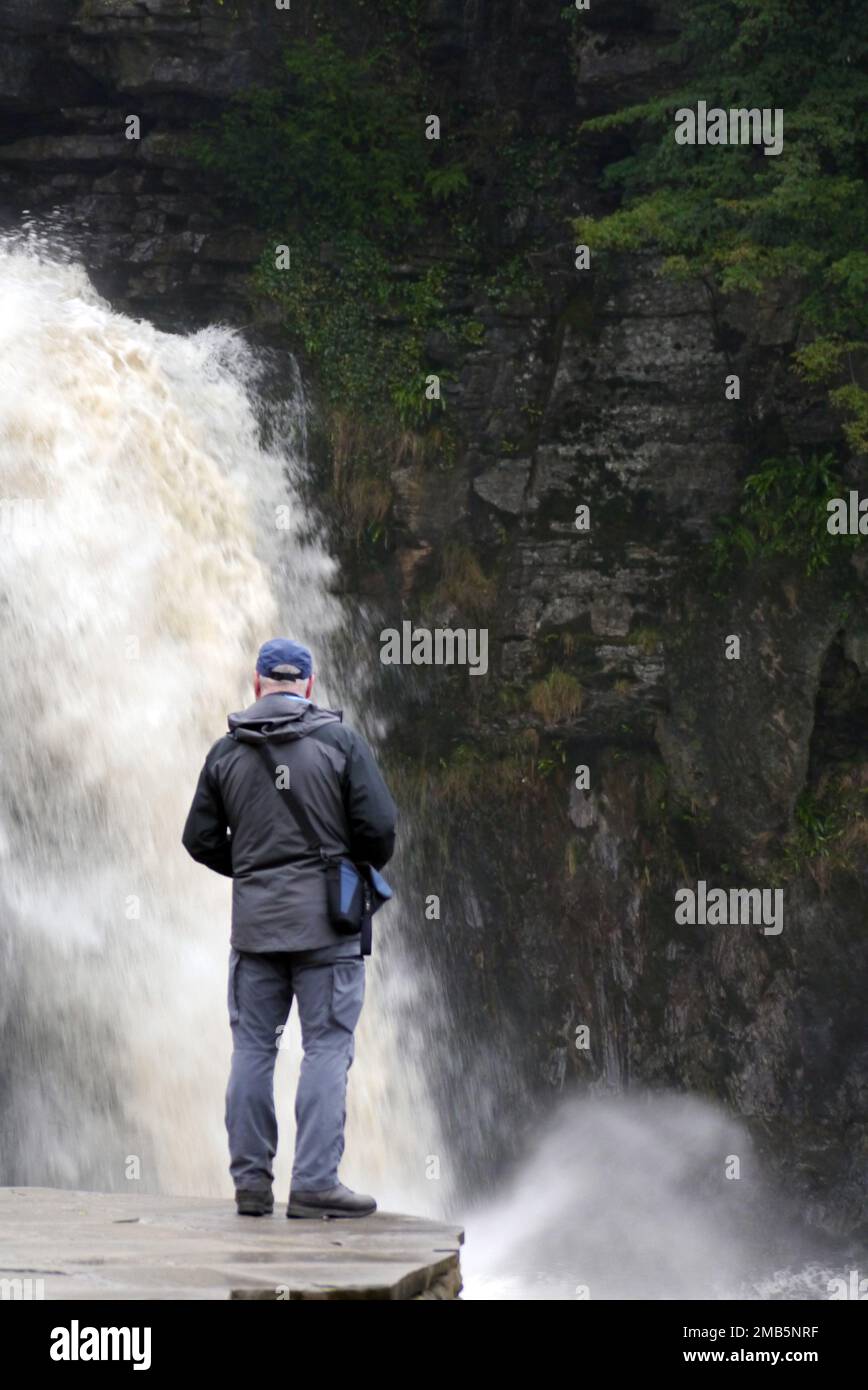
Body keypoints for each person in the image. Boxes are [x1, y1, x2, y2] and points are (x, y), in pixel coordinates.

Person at [181, 638, 397, 1219]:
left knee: (253, 1048)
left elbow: (198, 839)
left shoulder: (227, 750)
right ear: (309, 683)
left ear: (256, 685)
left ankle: (251, 1185)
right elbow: (379, 831)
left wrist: (251, 868)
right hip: (328, 926)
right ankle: (315, 1184)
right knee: (326, 1047)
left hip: (254, 930)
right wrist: (336, 863)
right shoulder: (339, 742)